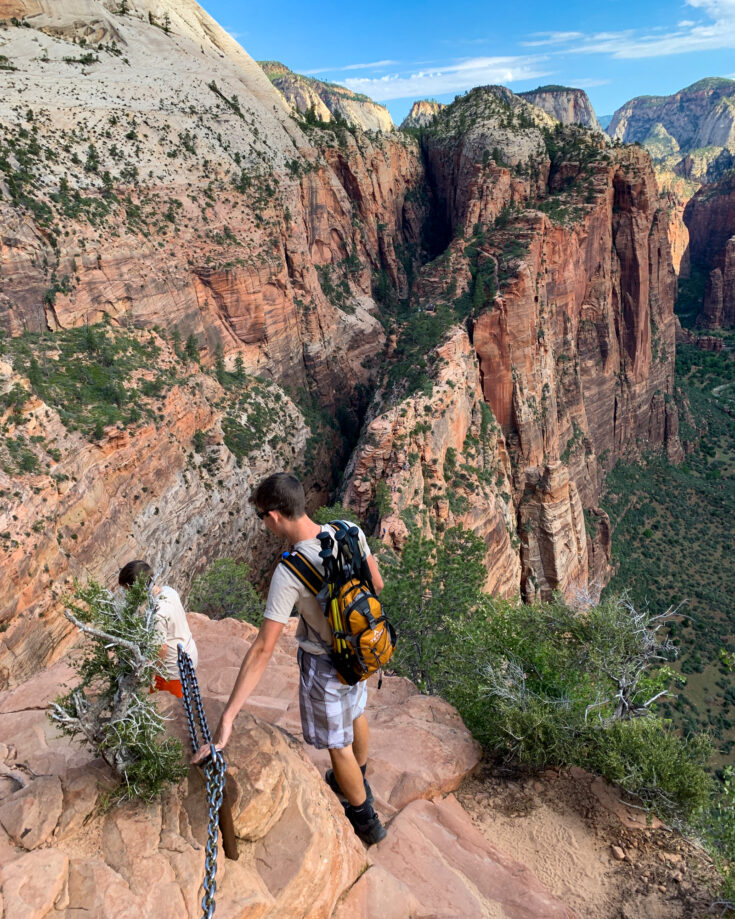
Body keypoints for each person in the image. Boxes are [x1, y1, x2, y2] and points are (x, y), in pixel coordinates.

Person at [192, 472, 387, 846]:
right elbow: (376, 585)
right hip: (361, 649)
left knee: (337, 745)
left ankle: (365, 819)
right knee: (357, 713)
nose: (263, 525)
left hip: (326, 666)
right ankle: (357, 780)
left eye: (261, 517)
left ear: (275, 516)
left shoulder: (289, 571)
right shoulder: (348, 531)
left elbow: (264, 647)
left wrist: (228, 716)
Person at [118, 560, 198, 699]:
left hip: (172, 670)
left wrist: (150, 674)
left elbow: (161, 649)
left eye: (128, 590)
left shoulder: (157, 613)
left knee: (166, 708)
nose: (128, 595)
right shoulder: (168, 591)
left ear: (137, 588)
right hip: (189, 654)